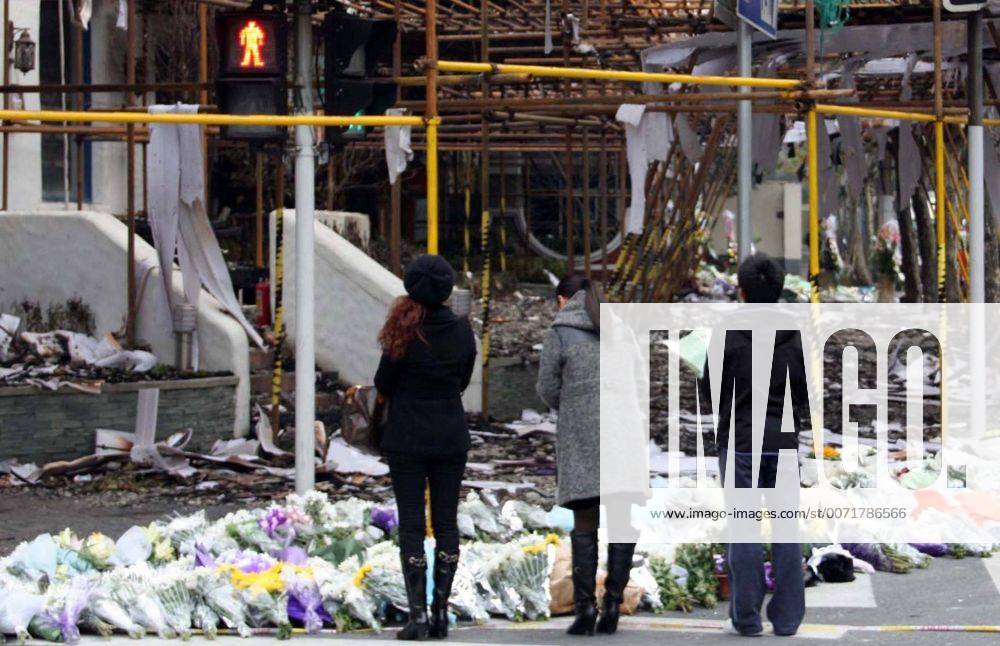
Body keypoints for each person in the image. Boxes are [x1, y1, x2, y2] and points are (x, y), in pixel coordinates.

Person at [375, 255, 477, 641]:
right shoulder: (463, 331)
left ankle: (416, 614)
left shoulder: (402, 332)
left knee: (413, 524)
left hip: (407, 436)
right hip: (450, 433)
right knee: (447, 522)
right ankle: (440, 613)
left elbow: (383, 381)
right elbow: (464, 377)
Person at [536, 275, 636, 636]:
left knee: (585, 522)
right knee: (621, 519)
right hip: (623, 433)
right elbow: (639, 378)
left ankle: (584, 611)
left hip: (582, 437)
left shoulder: (560, 333)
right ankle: (612, 604)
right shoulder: (621, 329)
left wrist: (576, 406)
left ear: (564, 299)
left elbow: (547, 388)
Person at [719, 252, 807, 637]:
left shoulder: (726, 331)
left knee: (744, 529)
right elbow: (803, 391)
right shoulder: (794, 334)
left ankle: (747, 618)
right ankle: (787, 619)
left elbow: (712, 388)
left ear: (741, 291)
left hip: (740, 440)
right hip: (782, 440)